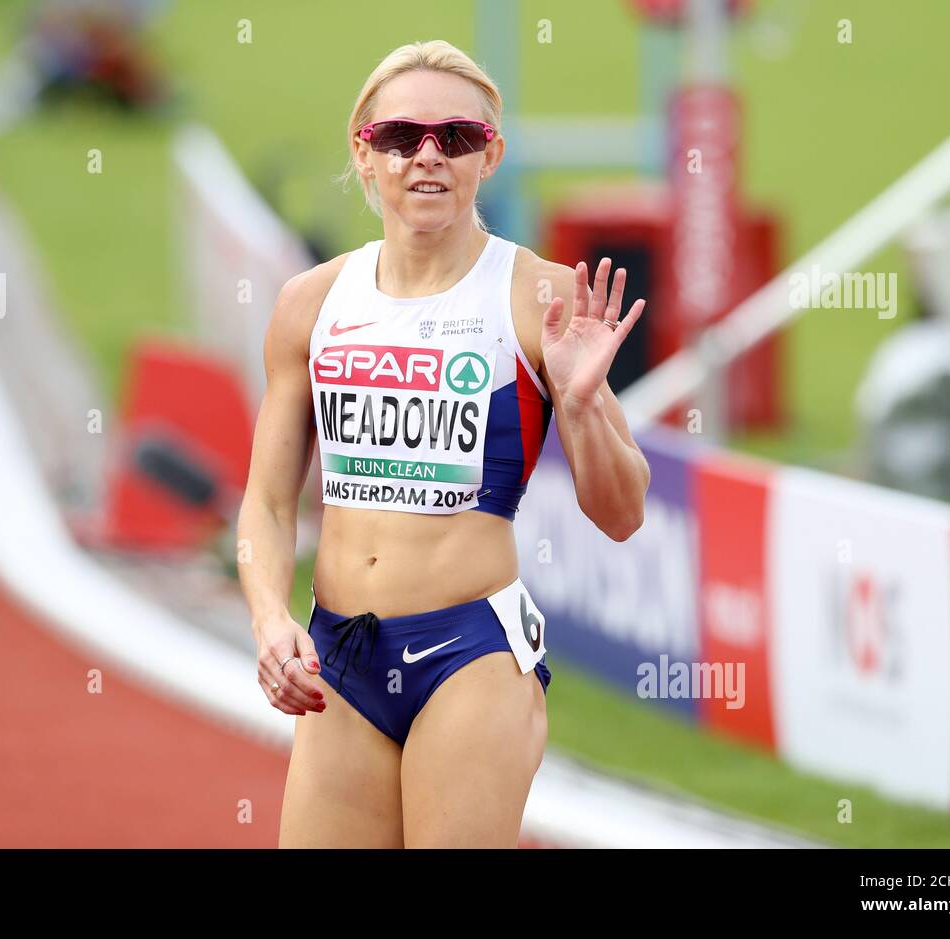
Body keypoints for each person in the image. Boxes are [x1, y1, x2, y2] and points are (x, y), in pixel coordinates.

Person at [236, 39, 650, 848]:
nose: (428, 158)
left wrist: (584, 399)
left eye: (454, 138)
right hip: (341, 655)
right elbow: (268, 499)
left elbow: (623, 511)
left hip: (470, 655)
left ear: (488, 155)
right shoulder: (310, 303)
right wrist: (267, 621)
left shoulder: (541, 298)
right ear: (365, 153)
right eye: (401, 137)